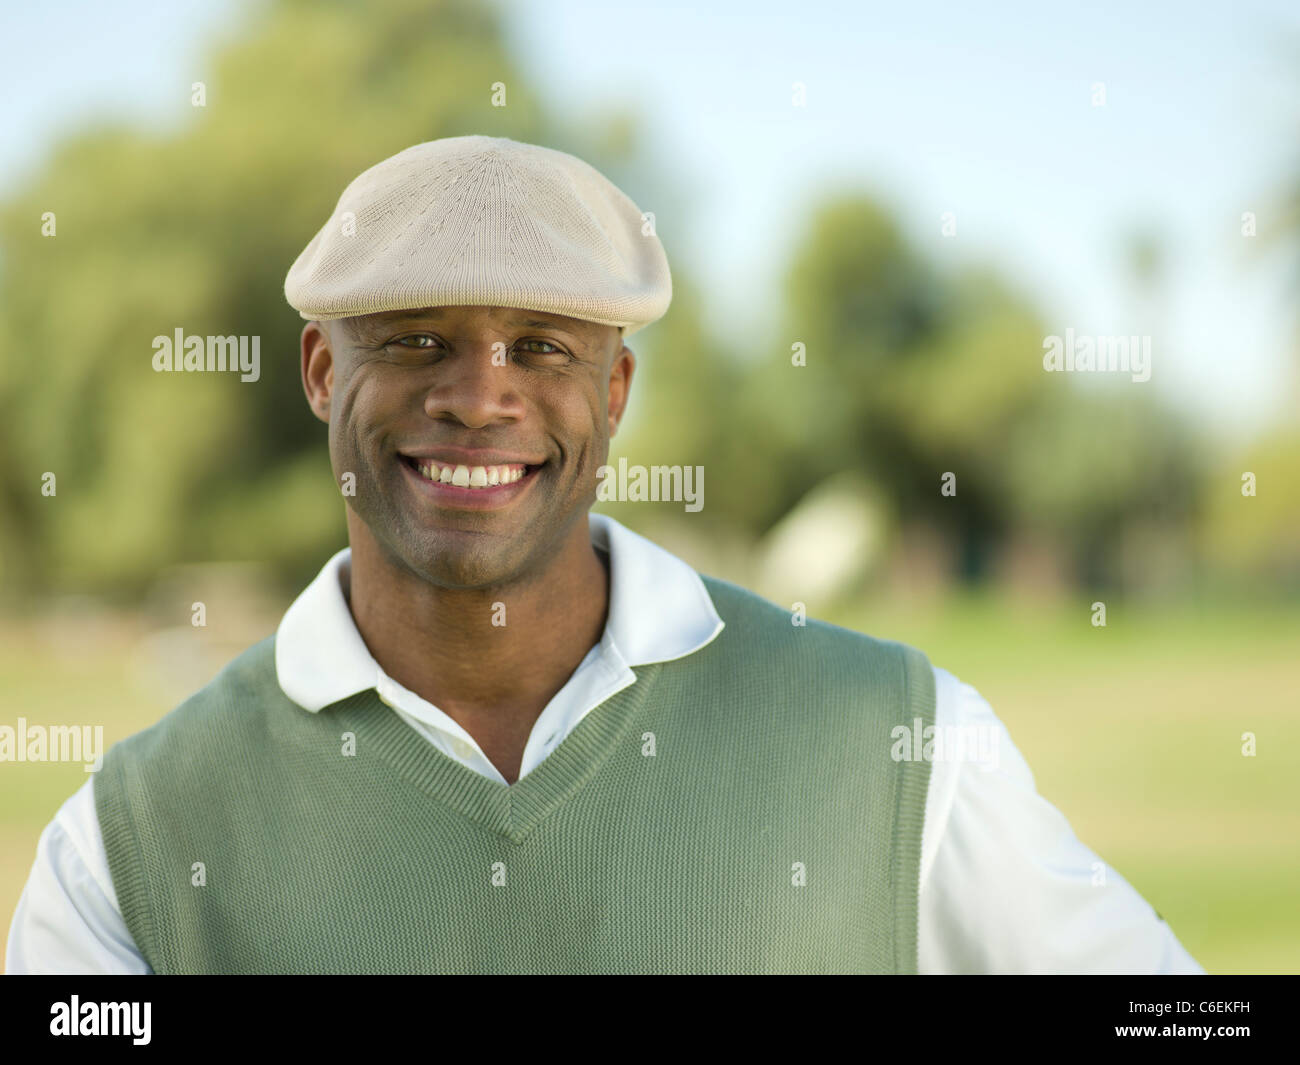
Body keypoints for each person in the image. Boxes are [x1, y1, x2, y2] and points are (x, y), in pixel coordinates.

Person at [6, 135, 1203, 974]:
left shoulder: (903, 746)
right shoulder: (129, 847)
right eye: (418, 339)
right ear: (324, 374)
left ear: (615, 389)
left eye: (542, 348)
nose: (480, 398)